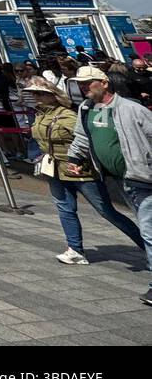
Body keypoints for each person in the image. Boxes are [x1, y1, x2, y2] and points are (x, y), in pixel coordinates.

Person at [21, 75, 142, 266]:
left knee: (106, 211)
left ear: (52, 95)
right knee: (65, 209)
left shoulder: (68, 115)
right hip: (55, 169)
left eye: (39, 93)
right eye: (33, 94)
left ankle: (145, 245)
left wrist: (80, 159)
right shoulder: (39, 115)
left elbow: (86, 139)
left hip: (81, 171)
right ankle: (75, 249)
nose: (36, 97)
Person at [66, 66, 152, 305]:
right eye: (80, 84)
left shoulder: (132, 109)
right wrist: (75, 158)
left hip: (142, 177)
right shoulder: (86, 109)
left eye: (88, 82)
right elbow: (83, 137)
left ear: (104, 83)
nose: (83, 87)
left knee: (148, 229)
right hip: (120, 179)